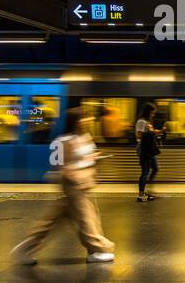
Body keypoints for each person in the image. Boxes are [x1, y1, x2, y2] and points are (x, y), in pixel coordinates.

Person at [11, 107, 115, 264]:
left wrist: (94, 157)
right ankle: (99, 249)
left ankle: (24, 251)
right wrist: (82, 164)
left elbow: (87, 157)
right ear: (75, 121)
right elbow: (57, 165)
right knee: (86, 219)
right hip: (73, 185)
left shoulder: (85, 137)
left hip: (85, 185)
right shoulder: (62, 141)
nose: (87, 121)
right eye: (83, 118)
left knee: (55, 222)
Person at [135, 102, 162, 201]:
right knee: (145, 171)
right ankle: (141, 194)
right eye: (152, 113)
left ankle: (148, 189)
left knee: (155, 168)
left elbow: (150, 133)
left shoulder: (147, 122)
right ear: (148, 112)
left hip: (150, 148)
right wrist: (150, 132)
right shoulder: (142, 122)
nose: (153, 115)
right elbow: (139, 135)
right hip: (144, 148)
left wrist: (159, 132)